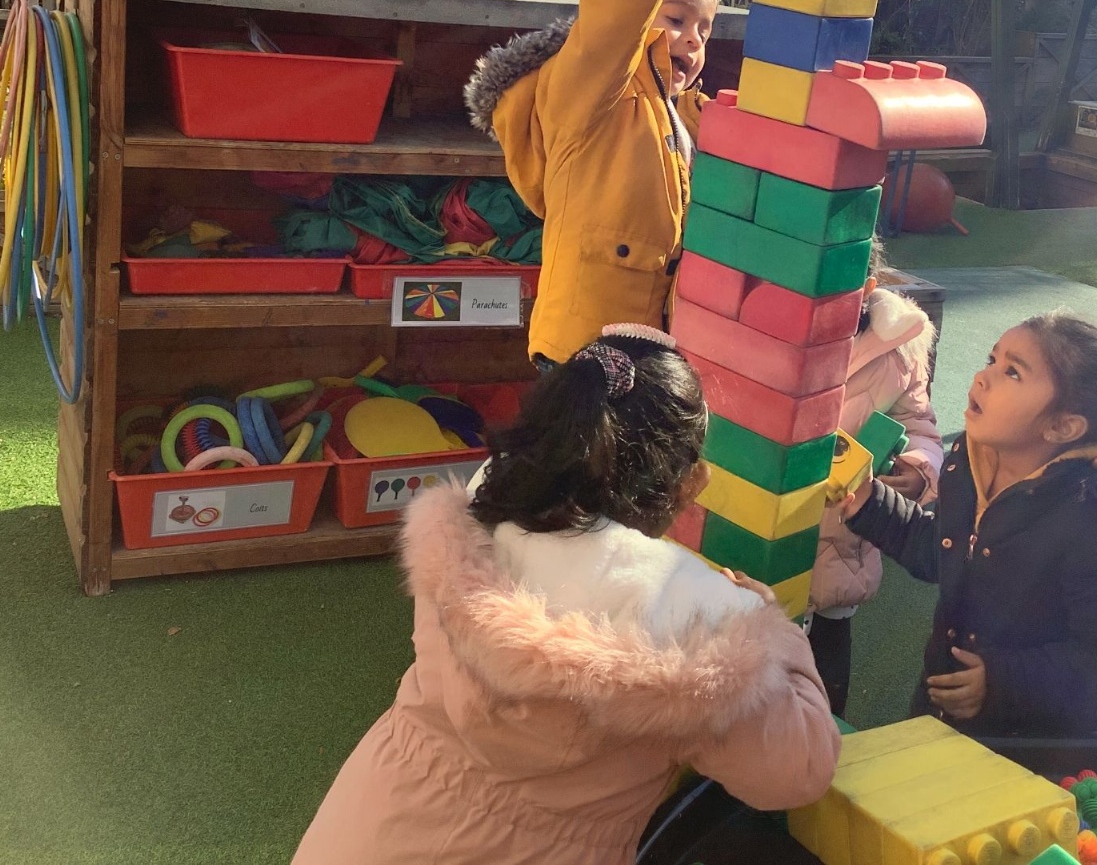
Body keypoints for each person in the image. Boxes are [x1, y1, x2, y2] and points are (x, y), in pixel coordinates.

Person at [293, 326, 840, 865]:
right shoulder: (701, 620)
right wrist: (777, 633)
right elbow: (796, 773)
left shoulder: (476, 518)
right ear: (691, 481)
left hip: (370, 824)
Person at [841, 310, 1097, 737]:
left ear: (1063, 426)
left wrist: (1002, 681)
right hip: (939, 712)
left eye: (1012, 372)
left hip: (1034, 742)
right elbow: (946, 552)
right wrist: (869, 503)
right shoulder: (970, 466)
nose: (982, 376)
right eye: (992, 360)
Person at [465, 0, 719, 368]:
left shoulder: (680, 119)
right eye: (675, 19)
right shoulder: (592, 90)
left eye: (704, 31)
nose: (692, 40)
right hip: (581, 350)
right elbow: (611, 19)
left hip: (652, 346)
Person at [806, 238, 942, 718]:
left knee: (827, 646)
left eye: (833, 291)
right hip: (760, 521)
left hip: (840, 534)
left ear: (866, 289)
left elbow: (919, 425)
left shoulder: (896, 349)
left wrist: (918, 468)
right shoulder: (762, 330)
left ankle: (825, 739)